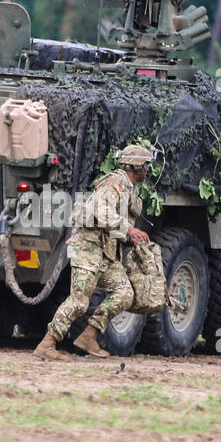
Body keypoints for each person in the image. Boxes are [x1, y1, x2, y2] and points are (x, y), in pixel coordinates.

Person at [34, 144, 153, 360]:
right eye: (146, 166)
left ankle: (89, 335)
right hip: (87, 248)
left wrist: (128, 237)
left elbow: (113, 222)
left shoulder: (128, 187)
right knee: (79, 301)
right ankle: (47, 344)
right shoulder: (114, 183)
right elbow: (101, 211)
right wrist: (130, 230)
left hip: (106, 253)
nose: (148, 171)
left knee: (125, 293)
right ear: (137, 167)